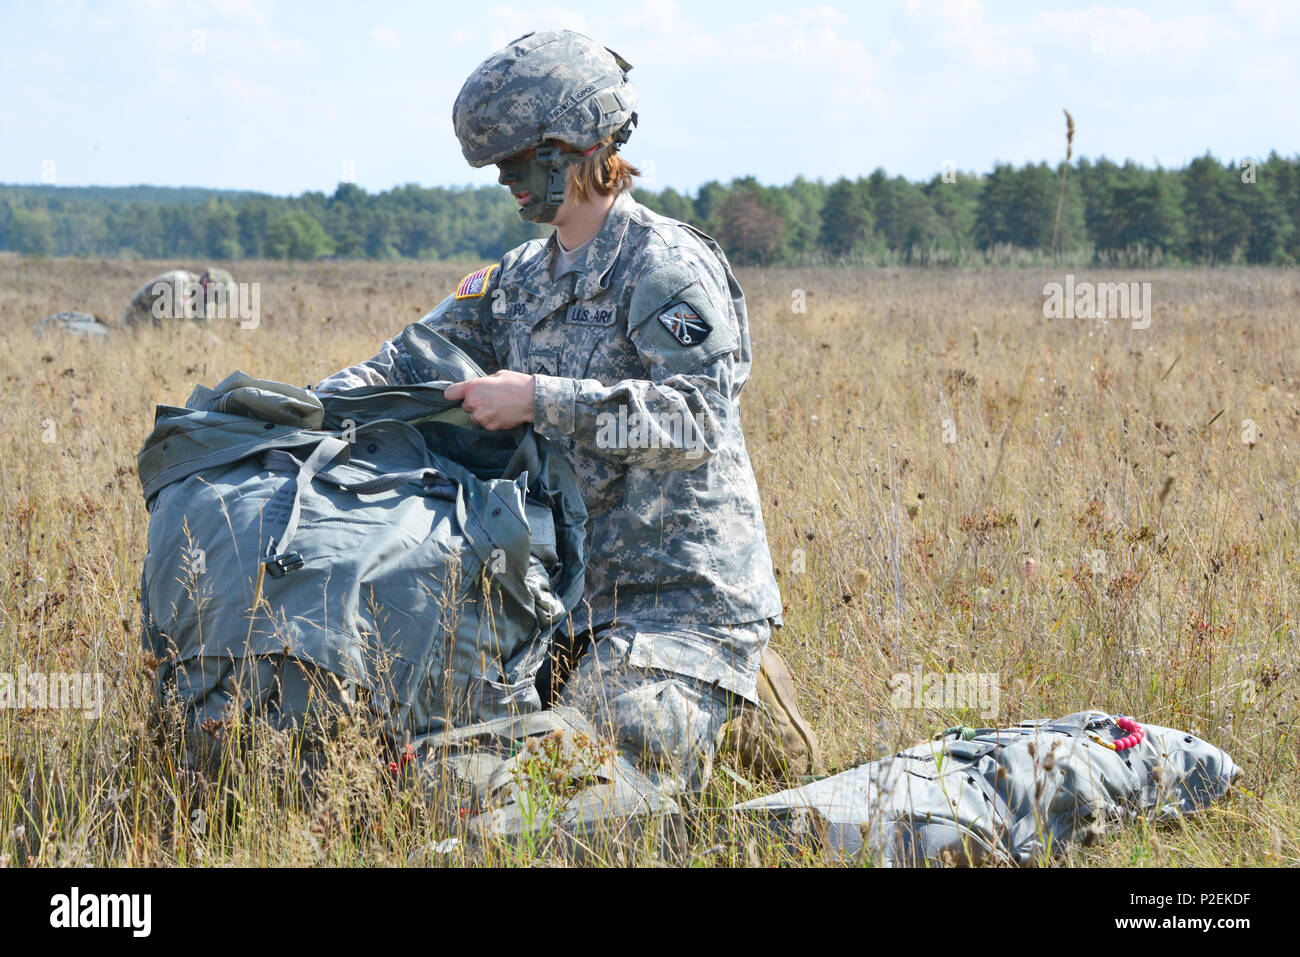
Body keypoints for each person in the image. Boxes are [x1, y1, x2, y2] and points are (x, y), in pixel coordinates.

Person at [316, 30, 814, 810]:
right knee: (424, 753)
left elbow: (693, 427)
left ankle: (739, 706)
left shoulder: (663, 267)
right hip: (551, 607)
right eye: (497, 166)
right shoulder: (513, 282)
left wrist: (539, 399)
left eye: (519, 160)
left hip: (674, 606)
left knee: (587, 780)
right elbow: (408, 359)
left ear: (576, 146)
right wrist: (305, 410)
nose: (507, 182)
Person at [122, 266, 233, 324]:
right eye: (208, 283)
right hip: (137, 323)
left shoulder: (196, 293)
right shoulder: (180, 282)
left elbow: (203, 322)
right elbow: (181, 322)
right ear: (205, 276)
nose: (206, 287)